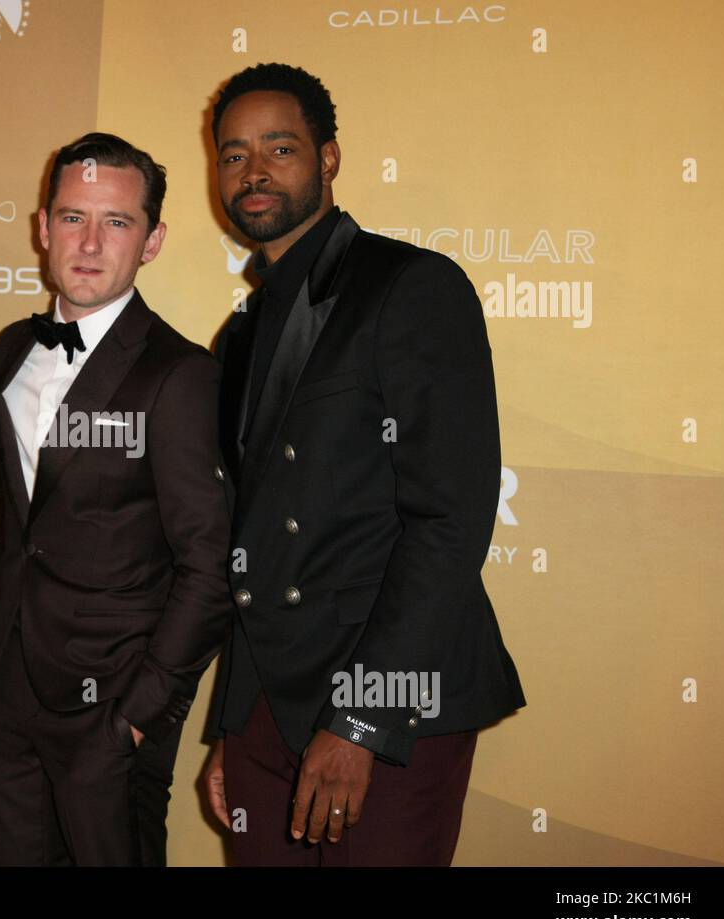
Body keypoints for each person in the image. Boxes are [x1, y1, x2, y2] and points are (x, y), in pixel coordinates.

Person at [201, 64, 526, 866]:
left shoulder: (413, 287)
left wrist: (362, 721)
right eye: (234, 154)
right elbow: (252, 540)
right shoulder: (238, 338)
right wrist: (236, 725)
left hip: (387, 709)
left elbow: (448, 521)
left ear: (330, 157)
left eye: (280, 147)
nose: (254, 171)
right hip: (267, 711)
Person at [0, 132, 231, 866]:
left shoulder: (179, 375)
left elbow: (209, 566)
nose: (89, 243)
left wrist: (140, 718)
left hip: (111, 709)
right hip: (9, 698)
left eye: (116, 222)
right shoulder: (9, 351)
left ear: (152, 241)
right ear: (41, 227)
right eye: (72, 217)